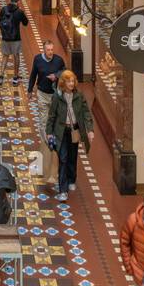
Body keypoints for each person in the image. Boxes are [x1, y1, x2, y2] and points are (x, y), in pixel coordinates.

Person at [46, 69, 94, 201]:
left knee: (72, 157)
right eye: (69, 81)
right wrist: (49, 133)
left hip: (74, 131)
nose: (71, 84)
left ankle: (72, 178)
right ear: (63, 83)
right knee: (63, 158)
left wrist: (90, 130)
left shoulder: (79, 96)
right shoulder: (57, 97)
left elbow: (86, 113)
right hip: (61, 132)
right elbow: (52, 115)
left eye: (73, 81)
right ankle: (63, 190)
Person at [27, 39, 66, 188]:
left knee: (54, 118)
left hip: (55, 95)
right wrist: (30, 90)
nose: (50, 52)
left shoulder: (58, 60)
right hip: (42, 94)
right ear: (44, 50)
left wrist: (56, 76)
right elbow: (33, 74)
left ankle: (53, 135)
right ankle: (46, 140)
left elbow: (64, 72)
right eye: (48, 50)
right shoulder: (38, 59)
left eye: (51, 49)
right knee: (43, 119)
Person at [0, 0, 28, 84]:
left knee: (5, 56)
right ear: (18, 2)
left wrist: (4, 32)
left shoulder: (4, 9)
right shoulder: (19, 11)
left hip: (5, 38)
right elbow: (25, 23)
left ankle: (1, 76)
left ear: (10, 0)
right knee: (16, 56)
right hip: (16, 38)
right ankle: (15, 77)